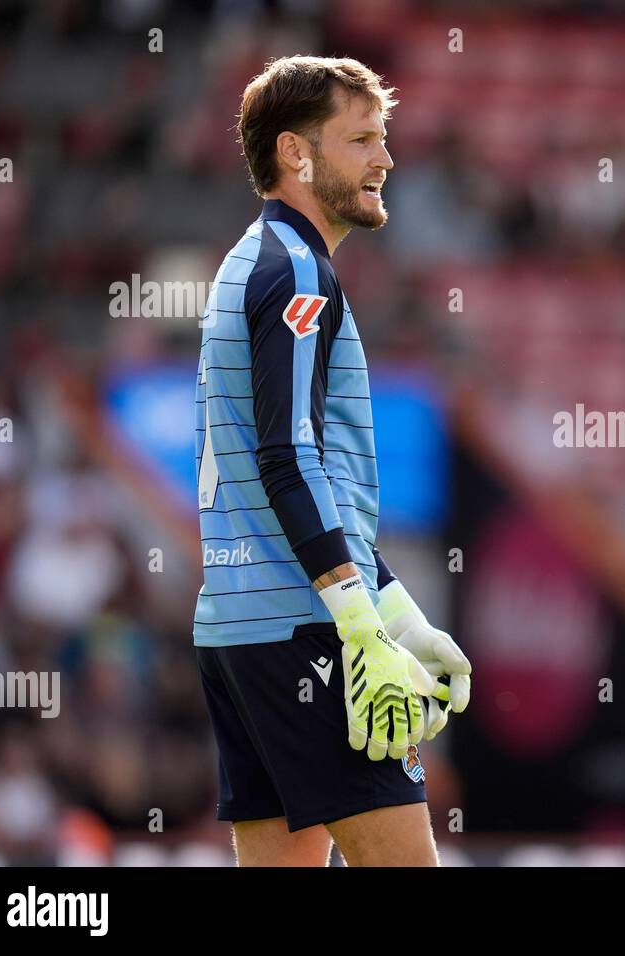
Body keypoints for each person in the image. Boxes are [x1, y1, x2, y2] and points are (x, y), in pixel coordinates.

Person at [192, 55, 471, 867]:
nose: (385, 159)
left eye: (383, 138)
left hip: (241, 628)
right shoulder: (297, 274)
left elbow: (303, 480)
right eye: (361, 140)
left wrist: (399, 613)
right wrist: (359, 622)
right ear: (296, 153)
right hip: (306, 629)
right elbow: (290, 458)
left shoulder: (251, 260)